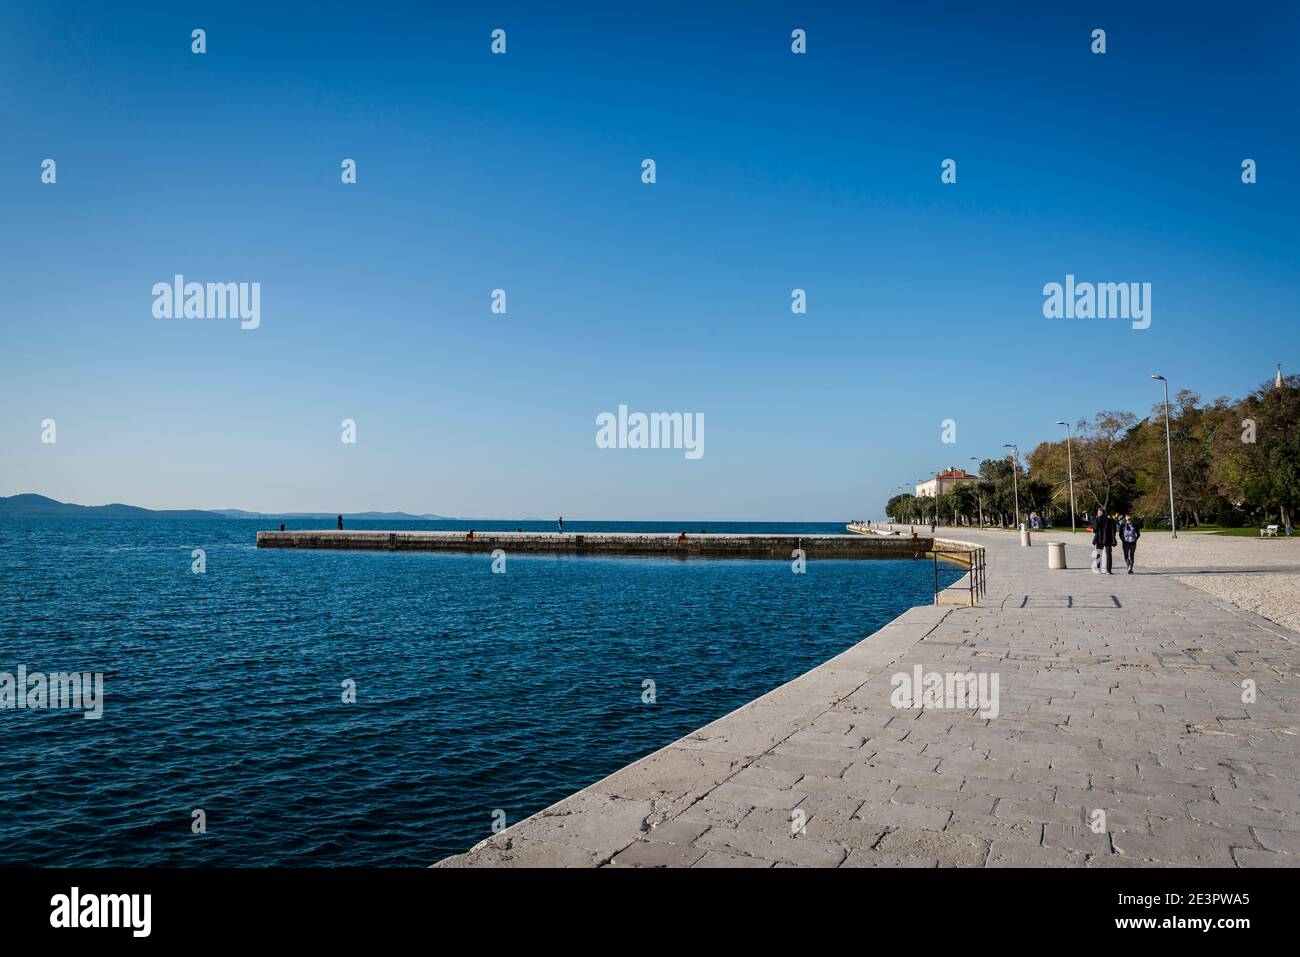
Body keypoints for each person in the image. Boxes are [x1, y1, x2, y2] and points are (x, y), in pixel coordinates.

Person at [1091, 507, 1117, 574]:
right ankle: (1109, 570)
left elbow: (1095, 530)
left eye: (1098, 512)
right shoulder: (1110, 520)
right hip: (1108, 539)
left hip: (1099, 539)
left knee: (1099, 554)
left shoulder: (1097, 520)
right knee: (1109, 555)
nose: (1097, 514)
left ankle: (1099, 569)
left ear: (1100, 513)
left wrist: (1092, 530)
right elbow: (1114, 530)